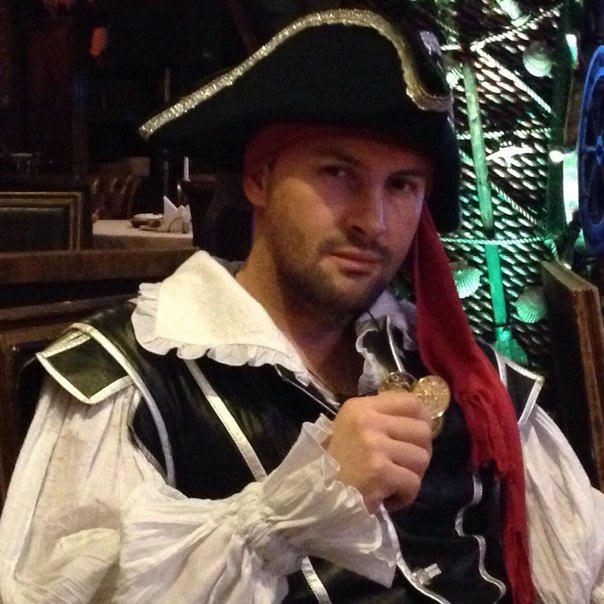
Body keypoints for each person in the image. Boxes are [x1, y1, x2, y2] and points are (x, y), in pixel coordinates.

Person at [1, 4, 603, 603]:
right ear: (258, 179)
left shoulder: (475, 385)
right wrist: (289, 507)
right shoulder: (127, 384)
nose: (373, 221)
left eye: (402, 185)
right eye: (338, 172)